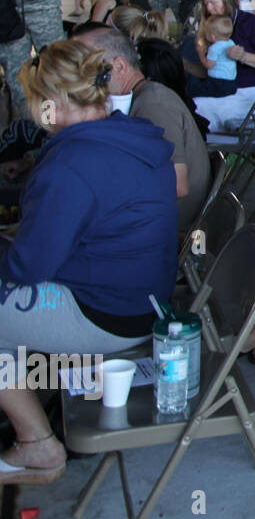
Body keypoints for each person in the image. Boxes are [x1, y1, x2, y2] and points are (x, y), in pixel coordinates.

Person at [0, 41, 177, 486]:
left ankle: (36, 442)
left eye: (33, 102)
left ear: (53, 104)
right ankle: (30, 393)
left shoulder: (73, 162)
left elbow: (27, 268)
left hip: (109, 316)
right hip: (141, 301)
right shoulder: (127, 133)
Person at [75, 25, 210, 230]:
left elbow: (176, 185)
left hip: (167, 230)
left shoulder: (152, 104)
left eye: (87, 65)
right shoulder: (145, 96)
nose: (80, 75)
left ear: (119, 66)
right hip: (154, 221)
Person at [191, 0, 255, 132]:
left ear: (227, 1)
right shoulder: (212, 26)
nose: (208, 8)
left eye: (213, 2)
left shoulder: (250, 23)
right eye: (206, 3)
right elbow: (211, 69)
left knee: (196, 106)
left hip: (248, 95)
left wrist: (244, 56)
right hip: (225, 88)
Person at [187, 14, 239, 97]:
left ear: (212, 37)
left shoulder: (214, 48)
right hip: (231, 83)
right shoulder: (231, 43)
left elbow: (209, 65)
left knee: (192, 88)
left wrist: (200, 53)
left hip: (217, 83)